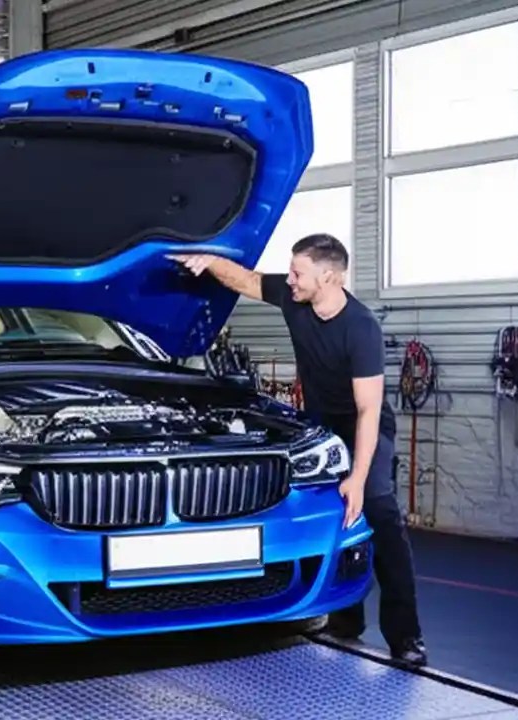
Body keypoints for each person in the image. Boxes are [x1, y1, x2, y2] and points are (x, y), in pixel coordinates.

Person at [171, 233, 427, 667]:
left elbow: (367, 411)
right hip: (321, 428)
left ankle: (406, 636)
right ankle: (346, 619)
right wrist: (209, 260)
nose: (288, 279)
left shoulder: (361, 328)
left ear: (327, 277)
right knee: (334, 519)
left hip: (365, 431)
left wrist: (359, 479)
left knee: (379, 520)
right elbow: (246, 280)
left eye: (297, 272)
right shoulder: (295, 300)